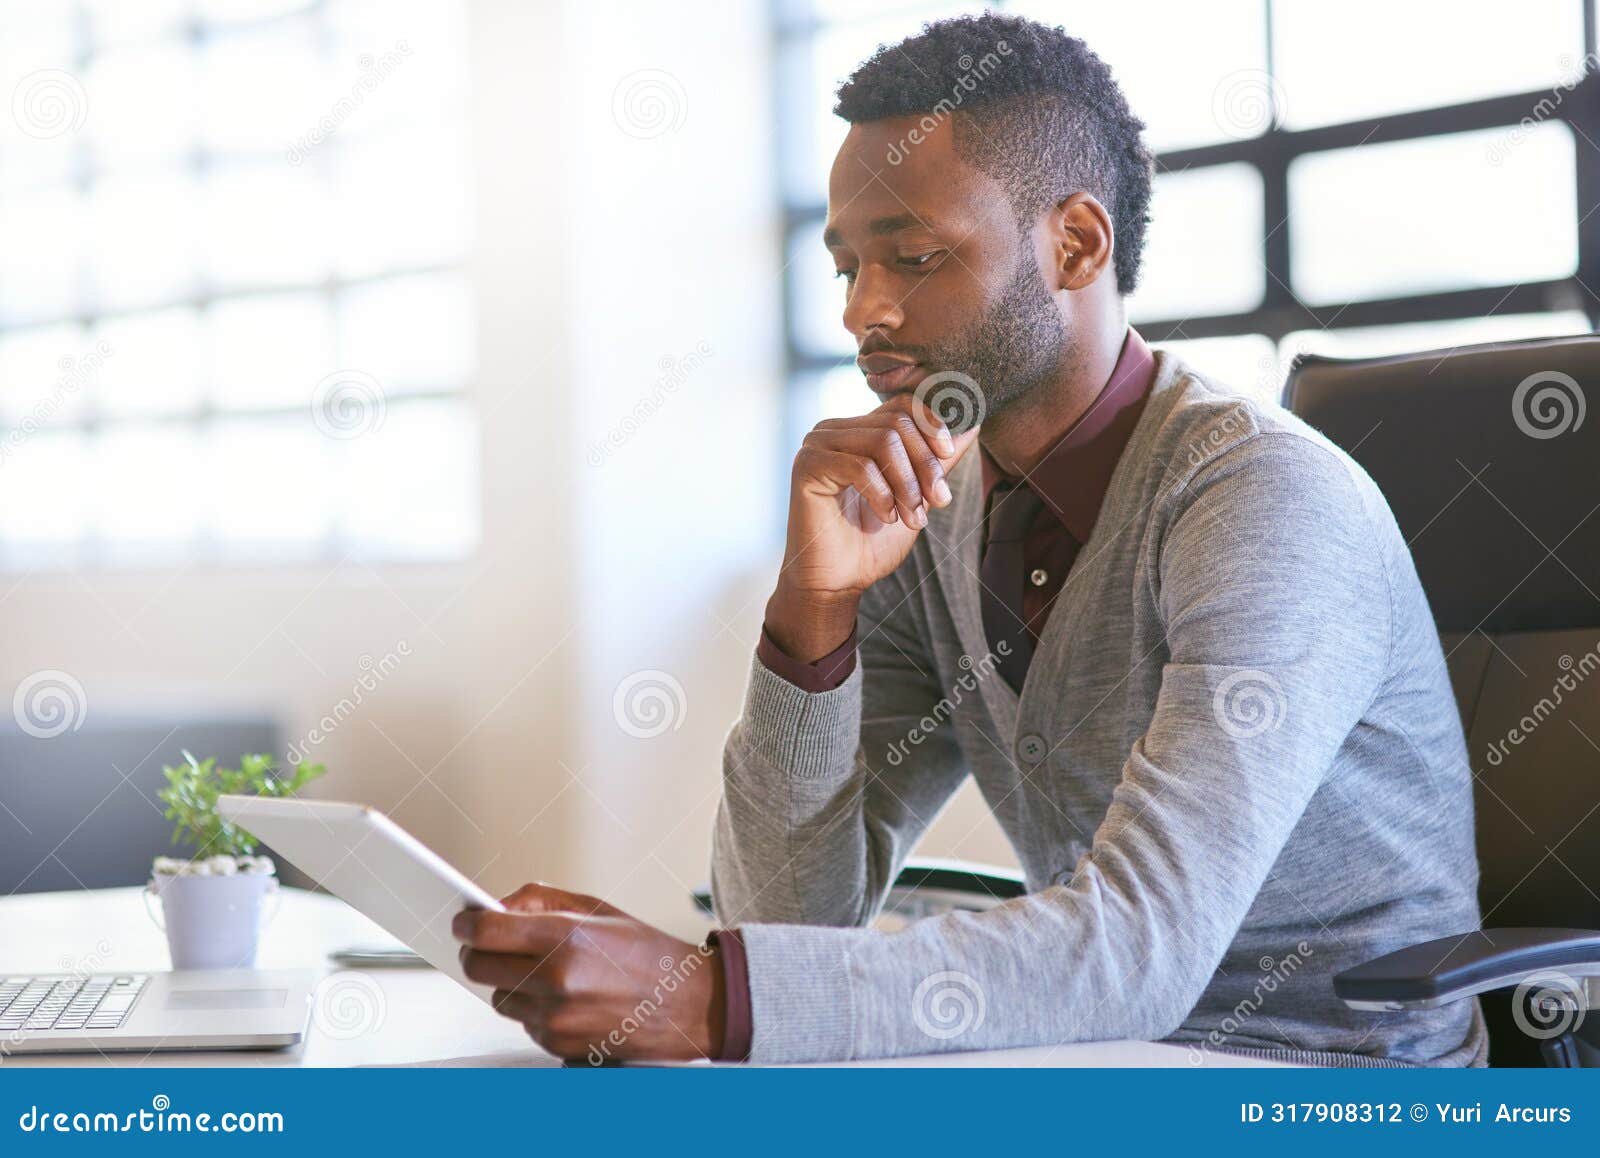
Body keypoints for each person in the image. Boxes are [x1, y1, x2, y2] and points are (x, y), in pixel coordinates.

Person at [453, 12, 1486, 1067]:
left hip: (1328, 1084)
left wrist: (717, 999)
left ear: (1075, 243)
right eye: (847, 265)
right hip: (1089, 1058)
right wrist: (811, 617)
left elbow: (1143, 948)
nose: (865, 312)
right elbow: (786, 918)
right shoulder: (932, 508)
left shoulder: (1261, 498)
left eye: (913, 256)